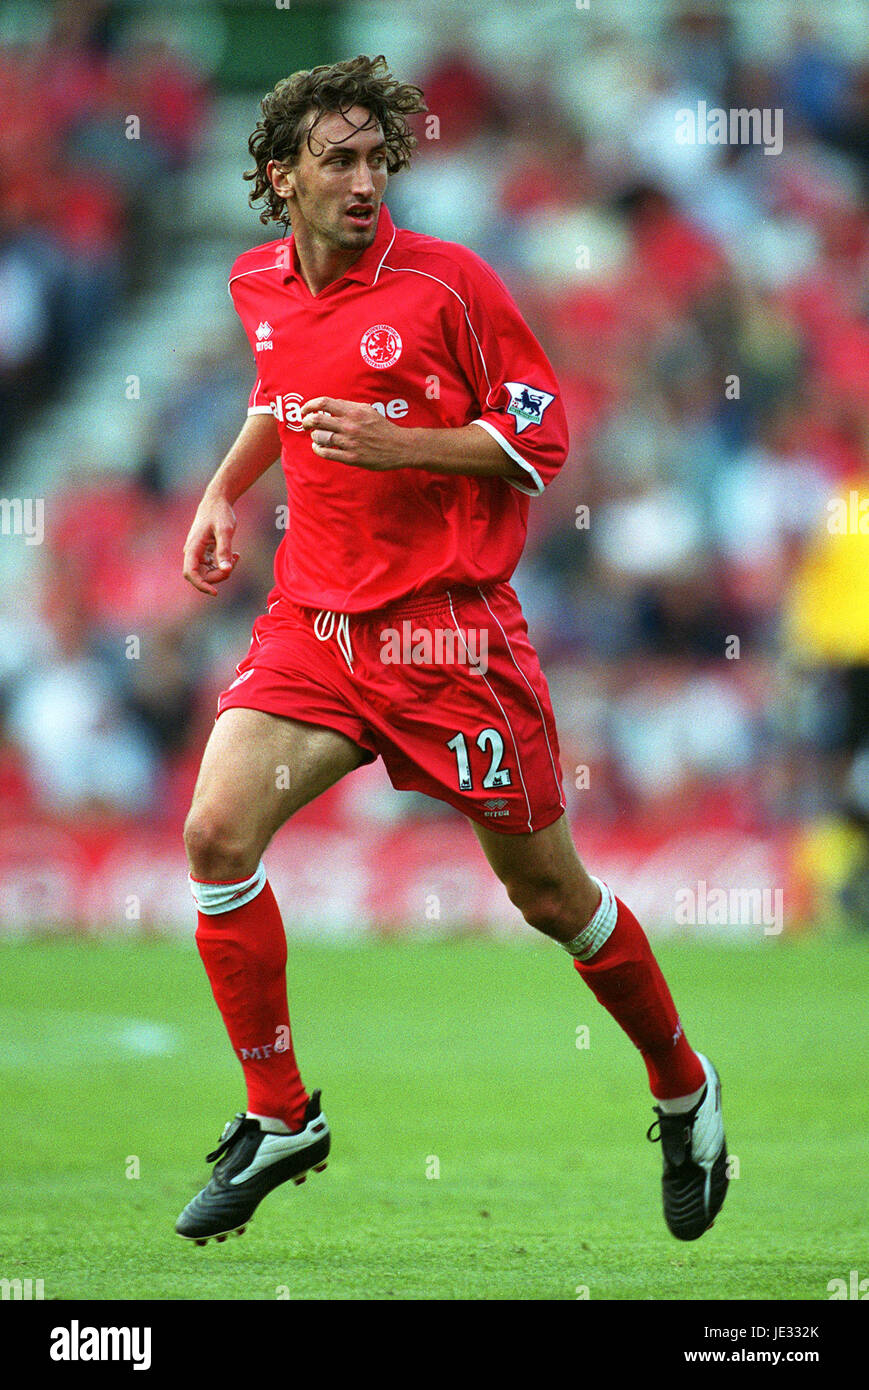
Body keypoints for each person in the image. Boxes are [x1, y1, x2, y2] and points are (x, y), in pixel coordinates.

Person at [176, 55, 728, 1247]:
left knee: (551, 898)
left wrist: (406, 442)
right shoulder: (253, 281)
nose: (367, 180)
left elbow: (543, 432)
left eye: (380, 159)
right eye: (339, 160)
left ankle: (682, 1086)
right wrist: (225, 490)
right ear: (281, 177)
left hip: (451, 637)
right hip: (317, 628)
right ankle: (280, 1115)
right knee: (215, 834)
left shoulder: (448, 285)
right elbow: (282, 388)